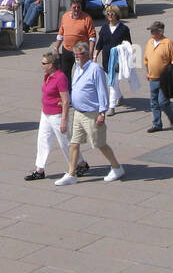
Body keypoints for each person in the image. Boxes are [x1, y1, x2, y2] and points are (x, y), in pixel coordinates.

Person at [53, 41, 124, 185]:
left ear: (87, 54)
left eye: (79, 54)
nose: (77, 57)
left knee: (99, 143)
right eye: (75, 54)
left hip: (92, 113)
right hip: (78, 113)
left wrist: (102, 113)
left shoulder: (95, 69)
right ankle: (71, 173)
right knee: (74, 144)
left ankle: (117, 167)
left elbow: (102, 91)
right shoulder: (77, 69)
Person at [27, 52, 86, 181]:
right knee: (42, 141)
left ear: (51, 65)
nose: (42, 65)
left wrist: (64, 120)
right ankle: (39, 169)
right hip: (46, 114)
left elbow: (65, 100)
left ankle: (80, 164)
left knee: (65, 142)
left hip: (57, 115)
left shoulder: (60, 78)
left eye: (44, 63)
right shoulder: (47, 76)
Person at [94, 5, 133, 113]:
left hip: (118, 59)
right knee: (111, 80)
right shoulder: (104, 28)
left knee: (112, 81)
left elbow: (129, 44)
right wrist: (95, 56)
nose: (110, 15)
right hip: (106, 59)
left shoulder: (123, 29)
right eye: (108, 13)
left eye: (112, 13)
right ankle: (119, 96)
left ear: (117, 15)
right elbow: (100, 44)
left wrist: (123, 50)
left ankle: (111, 106)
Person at [143, 20, 173, 133]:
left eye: (154, 30)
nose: (152, 33)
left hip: (165, 79)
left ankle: (172, 119)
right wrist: (148, 72)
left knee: (163, 102)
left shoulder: (168, 42)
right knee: (153, 102)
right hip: (152, 78)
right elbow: (146, 60)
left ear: (160, 31)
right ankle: (157, 124)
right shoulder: (149, 42)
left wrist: (171, 75)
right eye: (151, 31)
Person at [54, 0, 95, 78]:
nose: (76, 9)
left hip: (81, 52)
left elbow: (92, 37)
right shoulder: (65, 16)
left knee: (81, 74)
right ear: (70, 7)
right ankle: (67, 90)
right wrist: (56, 48)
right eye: (74, 7)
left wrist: (90, 53)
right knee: (65, 74)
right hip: (67, 50)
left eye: (78, 7)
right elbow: (61, 33)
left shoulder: (87, 18)